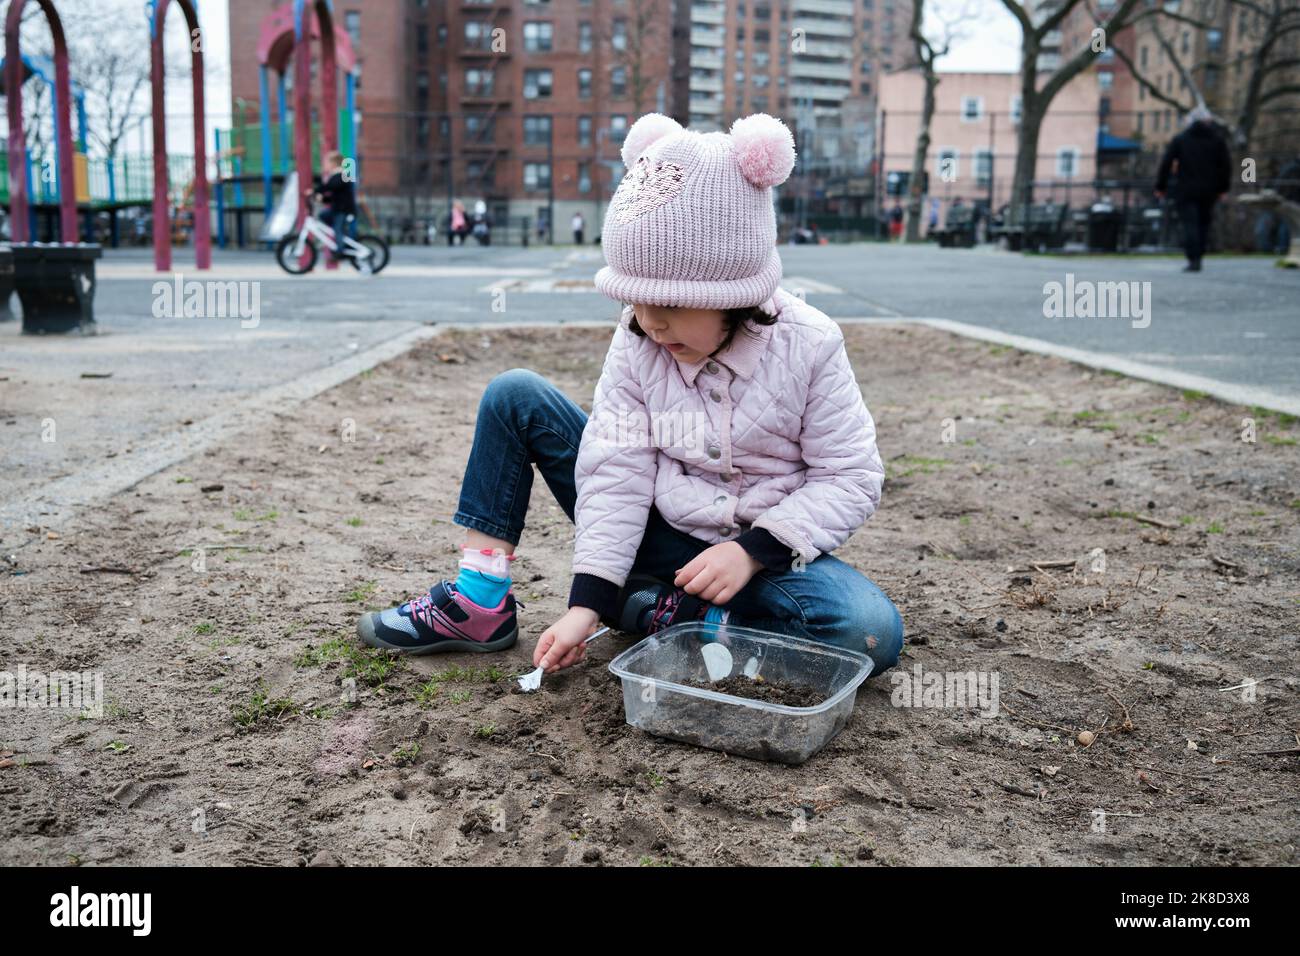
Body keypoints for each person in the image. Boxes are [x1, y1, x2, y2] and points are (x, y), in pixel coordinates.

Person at [355, 112, 903, 680]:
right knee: (515, 395)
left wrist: (752, 551)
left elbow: (849, 475)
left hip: (763, 557)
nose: (649, 324)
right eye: (635, 304)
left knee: (868, 630)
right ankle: (480, 600)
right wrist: (585, 605)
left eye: (667, 307)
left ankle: (671, 613)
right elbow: (617, 468)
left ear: (733, 293)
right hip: (653, 531)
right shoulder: (639, 334)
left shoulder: (810, 343)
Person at [1155, 106, 1231, 272]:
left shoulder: (1181, 139)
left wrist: (1161, 186)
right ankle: (1200, 255)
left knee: (1190, 223)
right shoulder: (1217, 140)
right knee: (1204, 223)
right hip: (1209, 189)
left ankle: (1193, 258)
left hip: (1186, 188)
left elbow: (1166, 163)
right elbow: (1225, 166)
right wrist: (1223, 188)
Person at [313, 151, 357, 245]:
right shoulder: (335, 175)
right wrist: (323, 198)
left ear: (333, 163)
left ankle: (339, 251)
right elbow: (335, 196)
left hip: (343, 210)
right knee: (323, 215)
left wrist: (316, 192)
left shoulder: (341, 175)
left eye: (326, 163)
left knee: (338, 228)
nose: (325, 165)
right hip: (338, 208)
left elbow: (331, 186)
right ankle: (340, 237)